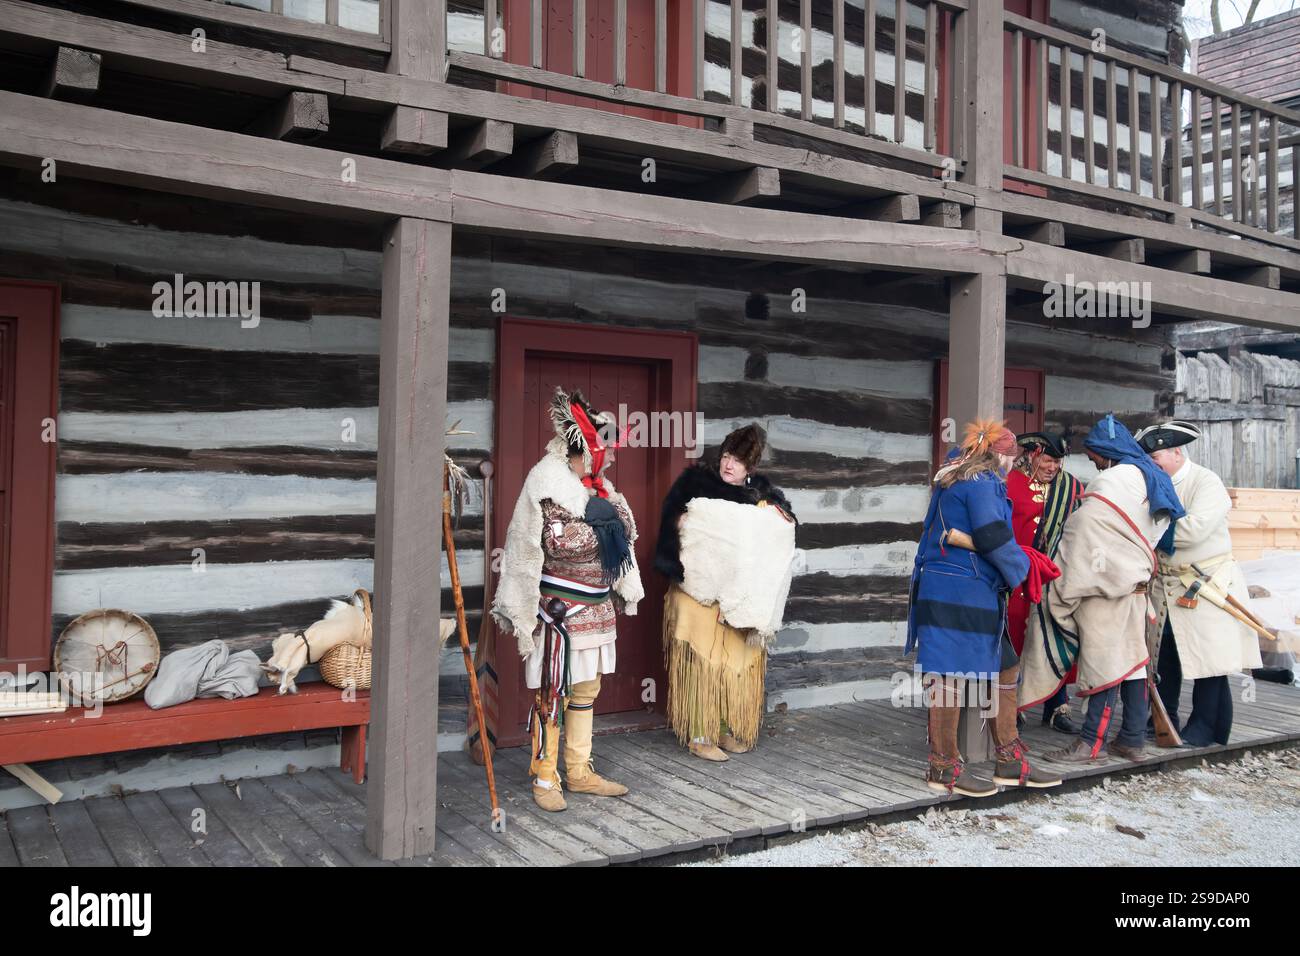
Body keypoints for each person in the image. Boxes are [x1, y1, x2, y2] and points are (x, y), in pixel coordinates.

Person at [491, 388, 644, 812]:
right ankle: (545, 776)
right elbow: (561, 544)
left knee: (587, 688)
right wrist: (607, 523)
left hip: (596, 607)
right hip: (560, 611)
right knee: (552, 690)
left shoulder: (595, 488)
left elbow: (628, 528)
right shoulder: (550, 484)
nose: (611, 459)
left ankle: (578, 771)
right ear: (586, 452)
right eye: (606, 451)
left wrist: (609, 519)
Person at [907, 419, 1061, 796]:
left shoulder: (956, 475)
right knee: (949, 676)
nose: (1014, 467)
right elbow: (993, 537)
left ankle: (1009, 760)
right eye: (1014, 459)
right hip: (959, 590)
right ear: (1003, 457)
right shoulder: (983, 483)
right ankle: (942, 767)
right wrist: (1024, 568)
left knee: (1004, 664)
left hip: (954, 587)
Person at [1045, 415, 1185, 764]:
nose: (1093, 463)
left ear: (1106, 453)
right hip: (1135, 585)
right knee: (1134, 666)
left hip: (1107, 588)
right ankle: (1132, 739)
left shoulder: (1115, 480)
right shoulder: (1150, 476)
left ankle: (1091, 743)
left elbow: (1088, 528)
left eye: (1094, 457)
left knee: (1106, 664)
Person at [655, 424, 797, 761]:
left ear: (751, 468)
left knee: (728, 662)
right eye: (726, 456)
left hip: (733, 600)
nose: (728, 464)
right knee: (702, 661)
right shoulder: (695, 484)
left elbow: (782, 528)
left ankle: (720, 726)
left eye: (737, 460)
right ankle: (699, 733)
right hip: (697, 594)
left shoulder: (762, 495)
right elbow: (672, 520)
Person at [1136, 421, 1262, 746]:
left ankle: (1206, 728)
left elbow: (1193, 531)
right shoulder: (1154, 482)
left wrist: (1145, 529)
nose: (1152, 464)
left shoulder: (1207, 482)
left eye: (1156, 457)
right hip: (1165, 586)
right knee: (1164, 657)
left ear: (1177, 452)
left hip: (1206, 585)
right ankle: (1163, 719)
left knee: (1211, 663)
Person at [1007, 431, 1084, 734]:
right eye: (1048, 460)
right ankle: (1012, 705)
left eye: (1058, 461)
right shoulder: (1010, 483)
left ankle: (1057, 705)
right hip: (1018, 576)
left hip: (1053, 574)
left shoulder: (1069, 487)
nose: (1054, 467)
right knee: (1015, 639)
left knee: (1055, 636)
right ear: (1031, 455)